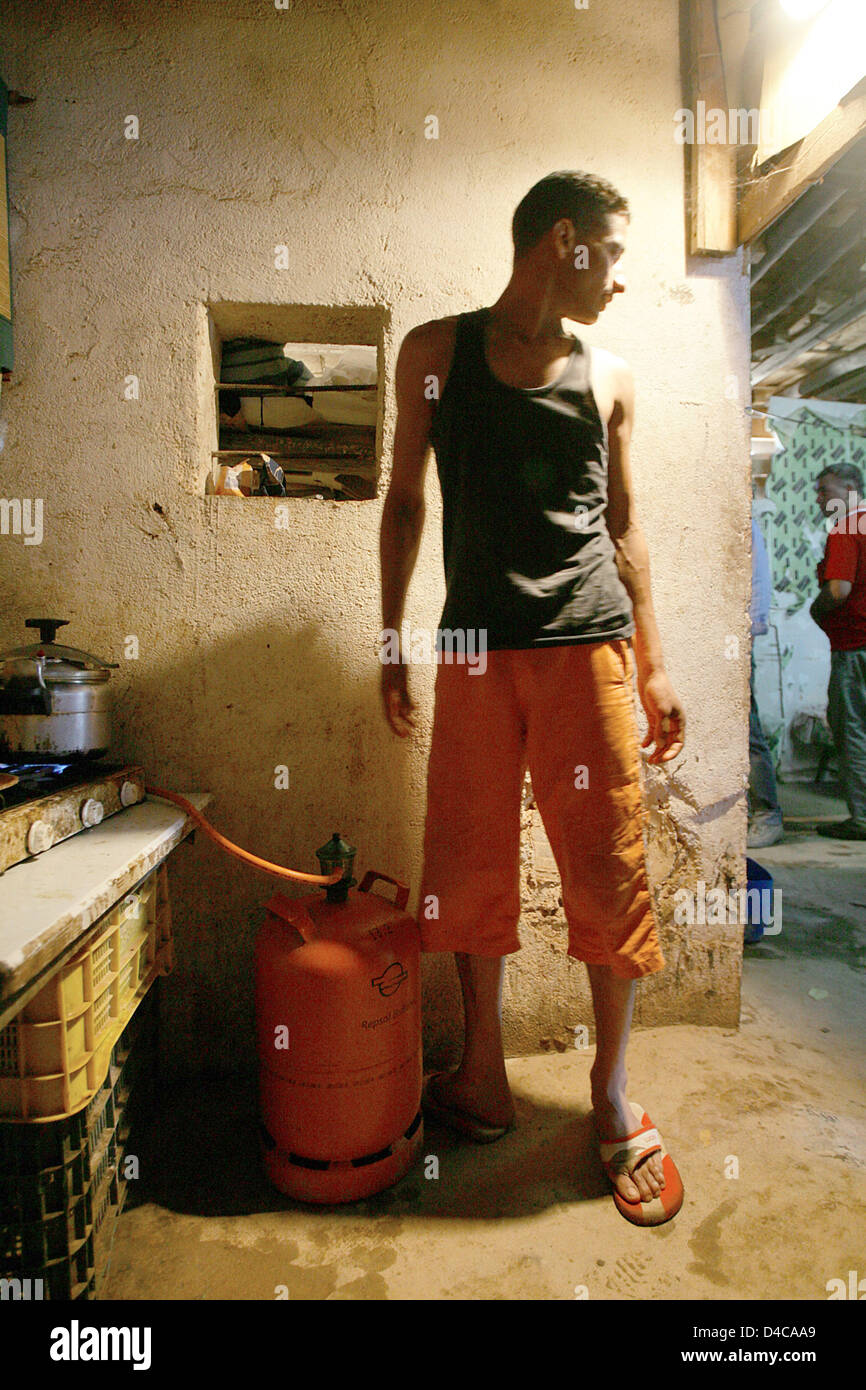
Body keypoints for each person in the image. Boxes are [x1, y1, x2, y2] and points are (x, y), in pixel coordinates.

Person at [379, 171, 685, 1226]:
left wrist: (651, 662)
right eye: (616, 255)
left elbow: (625, 524)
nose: (621, 282)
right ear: (565, 239)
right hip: (471, 651)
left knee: (606, 868)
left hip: (585, 648)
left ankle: (607, 1093)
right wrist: (390, 643)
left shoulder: (610, 376)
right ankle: (482, 1076)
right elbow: (405, 503)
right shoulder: (433, 352)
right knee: (464, 864)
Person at [811, 464, 866, 839]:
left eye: (824, 490)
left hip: (854, 646)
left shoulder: (848, 529)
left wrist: (816, 609)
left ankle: (862, 818)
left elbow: (838, 591)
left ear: (850, 488)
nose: (819, 499)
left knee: (853, 731)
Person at [748, 516, 784, 847]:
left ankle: (766, 814)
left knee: (747, 727)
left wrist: (751, 627)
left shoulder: (745, 520)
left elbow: (758, 578)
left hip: (737, 635)